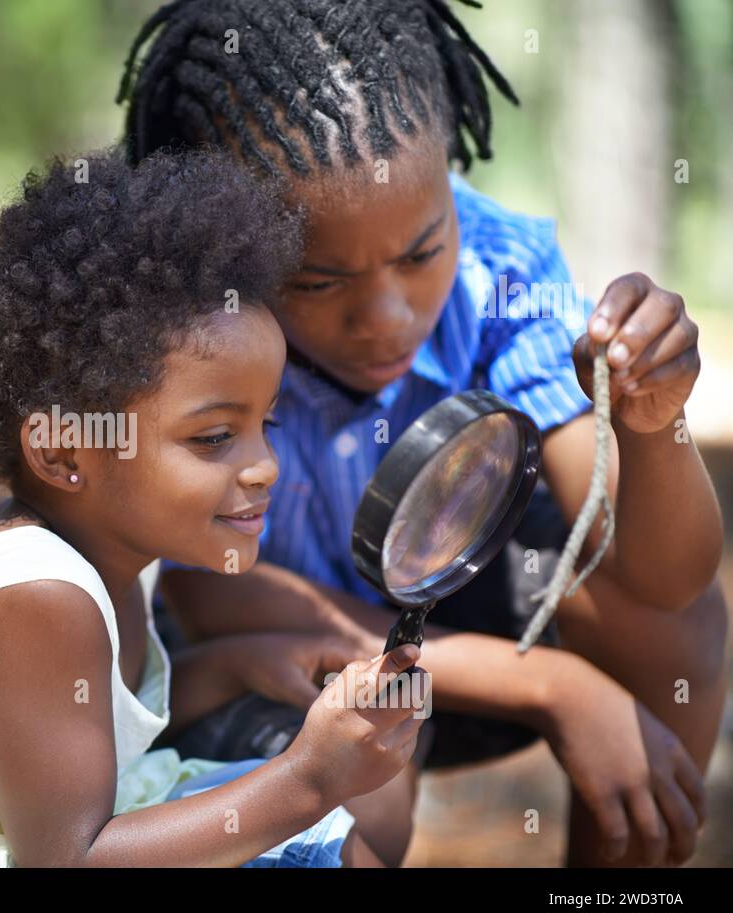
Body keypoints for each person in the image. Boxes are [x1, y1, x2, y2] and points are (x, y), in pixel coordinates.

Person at [119, 0, 726, 867]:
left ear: (451, 186)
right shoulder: (198, 322)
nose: (387, 318)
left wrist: (654, 429)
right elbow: (218, 597)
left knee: (678, 624)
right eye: (320, 281)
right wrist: (554, 687)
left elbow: (668, 578)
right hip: (282, 662)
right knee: (364, 796)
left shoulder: (499, 266)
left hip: (462, 619)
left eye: (421, 250)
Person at [0, 147, 426, 867]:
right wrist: (306, 779)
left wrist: (240, 663)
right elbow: (68, 858)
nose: (263, 466)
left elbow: (77, 725)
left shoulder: (109, 546)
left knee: (364, 808)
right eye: (214, 436)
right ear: (62, 453)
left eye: (265, 425)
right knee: (329, 837)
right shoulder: (40, 594)